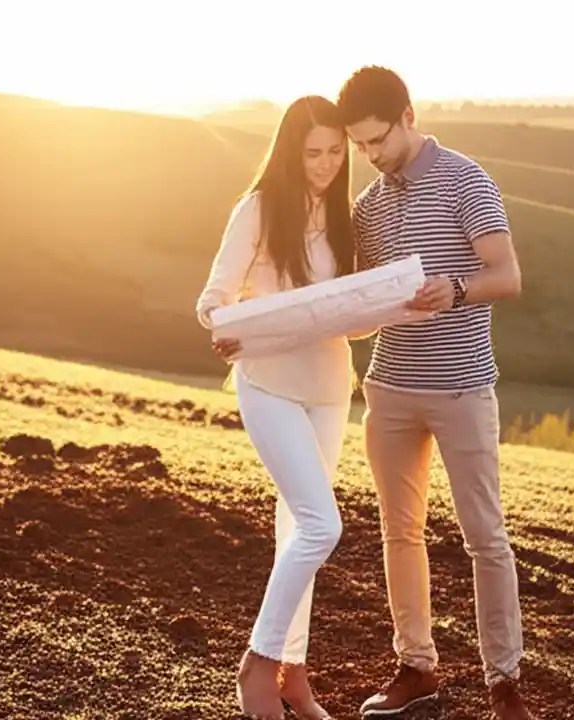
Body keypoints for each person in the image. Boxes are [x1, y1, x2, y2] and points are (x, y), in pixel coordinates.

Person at [336, 66, 536, 720]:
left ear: (408, 116)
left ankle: (503, 684)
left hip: (461, 388)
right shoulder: (369, 205)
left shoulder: (465, 179)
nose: (370, 155)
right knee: (399, 533)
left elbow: (507, 276)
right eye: (360, 146)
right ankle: (416, 669)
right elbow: (361, 308)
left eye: (377, 140)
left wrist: (454, 288)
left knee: (485, 538)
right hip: (389, 390)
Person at [195, 95, 357, 720]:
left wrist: (397, 305)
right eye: (313, 152)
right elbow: (211, 300)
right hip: (266, 382)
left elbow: (353, 321)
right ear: (291, 151)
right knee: (322, 525)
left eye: (336, 152)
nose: (325, 163)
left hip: (329, 388)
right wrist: (227, 324)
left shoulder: (347, 216)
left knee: (297, 532)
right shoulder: (258, 207)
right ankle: (257, 670)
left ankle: (295, 678)